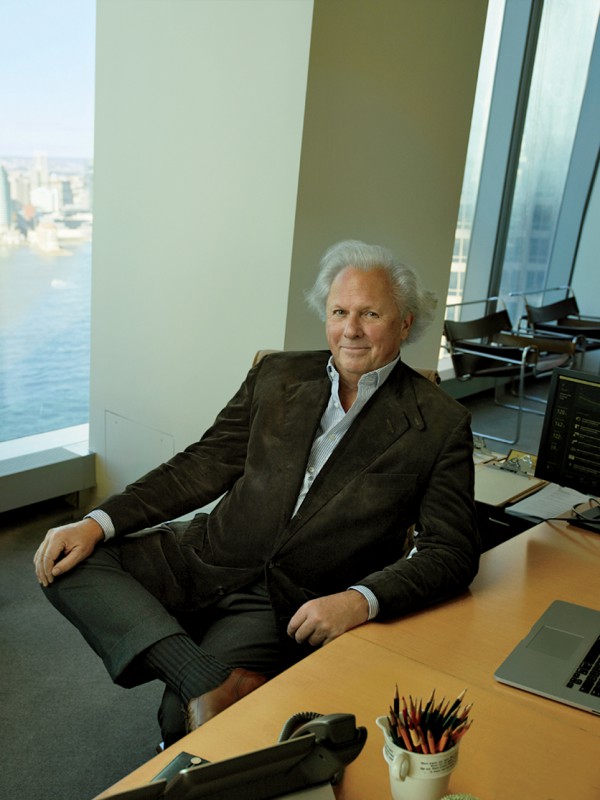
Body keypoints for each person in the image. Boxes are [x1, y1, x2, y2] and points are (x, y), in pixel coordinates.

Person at [34, 239, 480, 746]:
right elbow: (203, 463)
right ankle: (204, 677)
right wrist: (96, 522)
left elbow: (453, 550)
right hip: (207, 554)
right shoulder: (277, 374)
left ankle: (193, 681)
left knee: (181, 724)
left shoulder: (441, 423)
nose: (350, 329)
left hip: (284, 602)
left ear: (404, 323)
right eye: (339, 311)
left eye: (370, 313)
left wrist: (360, 600)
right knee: (66, 558)